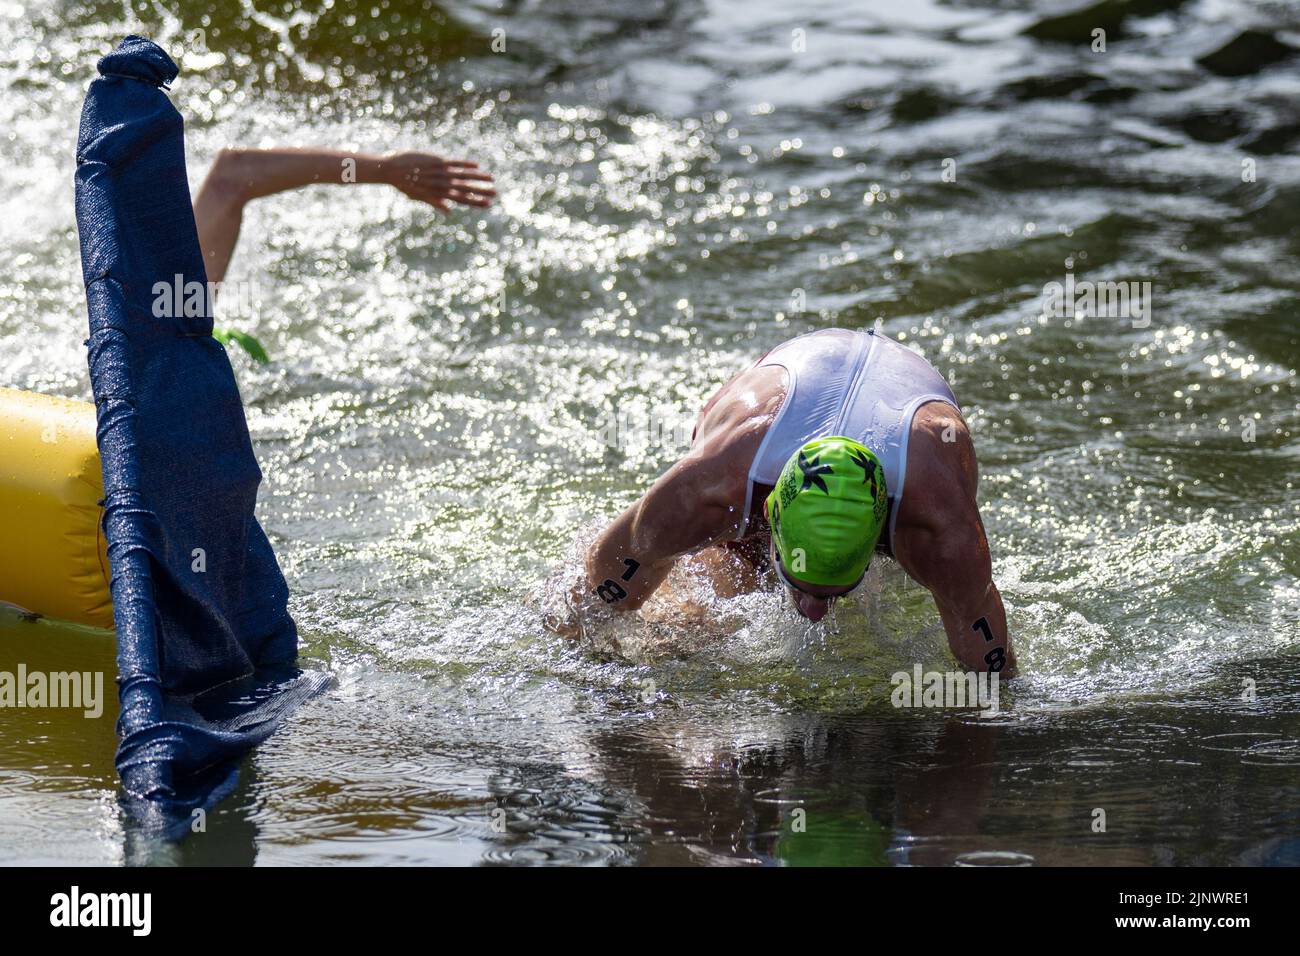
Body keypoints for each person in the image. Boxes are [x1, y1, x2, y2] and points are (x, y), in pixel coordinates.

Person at [560, 327, 1015, 675]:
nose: (815, 614)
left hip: (907, 399)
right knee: (711, 607)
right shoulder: (709, 490)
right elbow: (597, 598)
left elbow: (993, 679)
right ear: (769, 512)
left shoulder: (938, 526)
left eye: (835, 590)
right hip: (779, 395)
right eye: (805, 587)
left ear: (883, 534)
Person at [191, 147, 495, 283]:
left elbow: (233, 175)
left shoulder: (177, 315)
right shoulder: (175, 310)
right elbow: (231, 177)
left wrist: (386, 170)